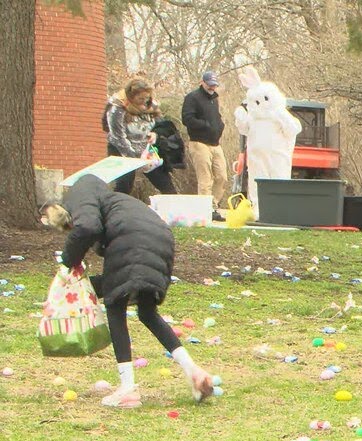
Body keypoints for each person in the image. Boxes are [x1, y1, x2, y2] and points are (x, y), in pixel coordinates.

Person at [41, 176, 214, 408]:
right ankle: (194, 371)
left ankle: (128, 389)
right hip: (159, 238)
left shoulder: (81, 191)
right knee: (146, 312)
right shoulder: (115, 202)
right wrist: (81, 287)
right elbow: (115, 272)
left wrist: (67, 263)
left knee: (115, 304)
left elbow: (87, 227)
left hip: (132, 241)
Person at [106, 77, 176, 196]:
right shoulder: (117, 109)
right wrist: (134, 158)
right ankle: (116, 208)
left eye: (146, 98)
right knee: (125, 184)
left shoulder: (151, 105)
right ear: (131, 97)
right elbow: (118, 137)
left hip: (145, 149)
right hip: (122, 149)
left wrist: (155, 134)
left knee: (166, 184)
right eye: (140, 98)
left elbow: (162, 125)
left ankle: (172, 208)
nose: (143, 101)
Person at [181, 71, 228, 216]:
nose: (212, 87)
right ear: (202, 82)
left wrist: (220, 126)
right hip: (199, 142)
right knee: (205, 178)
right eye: (209, 84)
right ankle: (204, 210)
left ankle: (212, 205)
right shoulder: (192, 97)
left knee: (222, 177)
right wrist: (206, 125)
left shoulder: (214, 99)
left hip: (215, 143)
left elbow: (217, 117)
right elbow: (187, 119)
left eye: (214, 85)